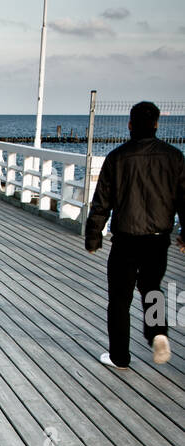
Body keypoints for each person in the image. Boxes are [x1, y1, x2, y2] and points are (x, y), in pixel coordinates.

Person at [85, 100, 185, 368]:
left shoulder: (117, 157)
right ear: (156, 124)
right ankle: (158, 333)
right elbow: (184, 200)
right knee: (153, 289)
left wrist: (93, 237)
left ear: (130, 125)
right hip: (157, 238)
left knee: (119, 298)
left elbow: (101, 202)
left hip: (126, 238)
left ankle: (119, 356)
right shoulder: (174, 157)